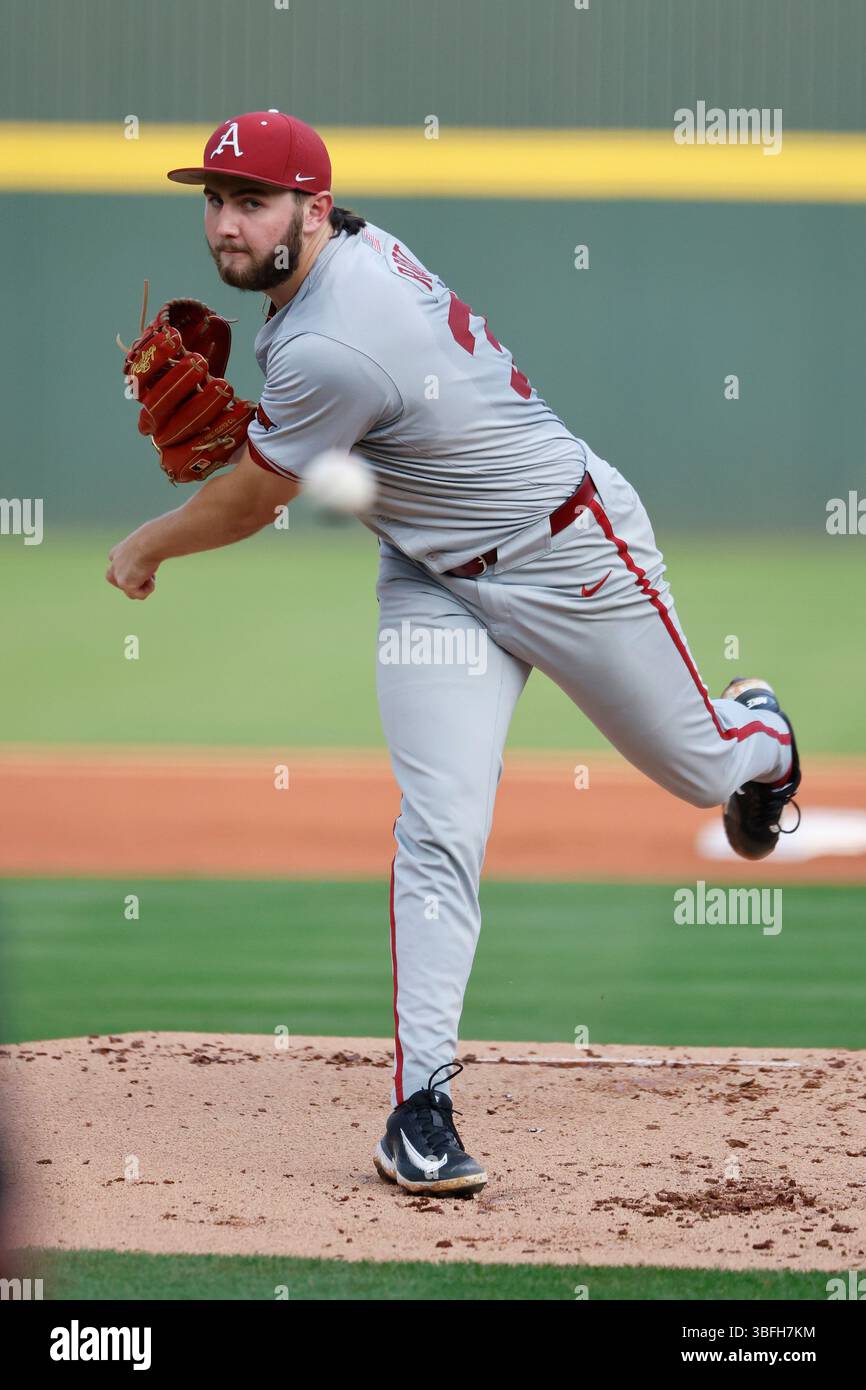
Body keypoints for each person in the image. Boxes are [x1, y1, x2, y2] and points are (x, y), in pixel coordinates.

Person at [107, 110, 801, 1198]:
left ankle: (758, 730)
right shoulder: (339, 272)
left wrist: (148, 545)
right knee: (439, 829)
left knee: (701, 768)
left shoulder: (333, 338)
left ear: (313, 211)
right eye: (214, 199)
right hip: (434, 578)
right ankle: (419, 1106)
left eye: (251, 201)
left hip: (567, 553)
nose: (226, 223)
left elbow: (250, 501)